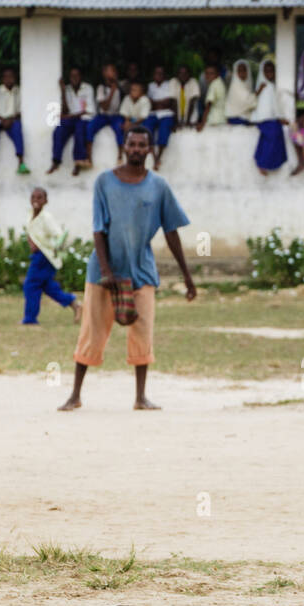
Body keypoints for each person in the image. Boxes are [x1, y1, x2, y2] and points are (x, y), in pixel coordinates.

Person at [58, 126, 196, 412]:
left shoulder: (158, 187)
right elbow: (98, 230)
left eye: (141, 145)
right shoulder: (104, 182)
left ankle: (140, 397)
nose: (136, 149)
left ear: (149, 149)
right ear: (124, 147)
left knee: (143, 331)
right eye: (131, 144)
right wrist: (106, 272)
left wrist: (187, 276)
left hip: (141, 272)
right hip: (102, 271)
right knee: (91, 331)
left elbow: (171, 231)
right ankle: (75, 395)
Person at [23, 187, 81, 326]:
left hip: (45, 257)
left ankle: (30, 318)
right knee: (47, 287)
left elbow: (59, 235)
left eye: (39, 198)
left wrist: (52, 247)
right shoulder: (30, 214)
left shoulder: (46, 218)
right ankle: (74, 303)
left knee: (31, 285)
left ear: (46, 201)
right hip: (37, 256)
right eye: (33, 197)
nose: (36, 201)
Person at [49, 66, 95, 175]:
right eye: (72, 76)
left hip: (84, 118)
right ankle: (56, 161)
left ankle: (78, 162)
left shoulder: (88, 88)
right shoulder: (68, 89)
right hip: (72, 118)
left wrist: (68, 116)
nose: (74, 78)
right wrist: (63, 91)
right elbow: (66, 110)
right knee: (58, 130)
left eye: (76, 75)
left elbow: (88, 110)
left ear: (81, 77)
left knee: (79, 131)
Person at [0, 66, 28, 174]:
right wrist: (2, 120)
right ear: (2, 79)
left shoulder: (19, 91)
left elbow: (22, 110)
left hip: (13, 120)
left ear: (15, 78)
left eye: (11, 76)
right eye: (6, 77)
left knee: (18, 130)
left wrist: (11, 119)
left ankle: (21, 162)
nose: (9, 79)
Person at [250, 59, 288, 175]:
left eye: (272, 71)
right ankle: (263, 163)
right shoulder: (265, 86)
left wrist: (279, 117)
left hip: (269, 119)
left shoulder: (271, 86)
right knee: (273, 134)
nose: (269, 74)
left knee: (268, 136)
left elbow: (274, 106)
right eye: (266, 71)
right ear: (262, 72)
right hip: (263, 119)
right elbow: (268, 106)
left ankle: (261, 159)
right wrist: (280, 117)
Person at [141, 65, 179, 170]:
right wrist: (161, 103)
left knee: (164, 131)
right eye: (156, 73)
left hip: (167, 114)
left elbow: (170, 102)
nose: (158, 75)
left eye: (161, 73)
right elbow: (150, 102)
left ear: (164, 75)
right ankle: (155, 158)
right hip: (153, 114)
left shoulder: (169, 85)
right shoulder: (150, 86)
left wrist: (158, 103)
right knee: (147, 130)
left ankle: (159, 157)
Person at [86, 62, 125, 162]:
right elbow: (105, 107)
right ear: (104, 73)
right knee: (90, 127)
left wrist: (116, 86)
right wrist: (112, 92)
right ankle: (89, 157)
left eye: (113, 71)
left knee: (119, 128)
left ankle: (120, 156)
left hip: (116, 116)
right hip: (103, 116)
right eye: (109, 71)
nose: (111, 73)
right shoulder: (101, 88)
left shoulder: (121, 87)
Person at [119, 81, 151, 149]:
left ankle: (146, 148)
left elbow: (143, 117)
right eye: (131, 89)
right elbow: (124, 113)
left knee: (147, 127)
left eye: (135, 90)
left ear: (141, 93)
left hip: (141, 122)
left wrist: (131, 124)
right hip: (130, 120)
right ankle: (122, 150)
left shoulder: (145, 100)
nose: (132, 92)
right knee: (120, 125)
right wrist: (127, 121)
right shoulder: (127, 98)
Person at [224, 59, 256, 124]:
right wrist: (259, 91)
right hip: (235, 117)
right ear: (236, 72)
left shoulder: (247, 83)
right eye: (239, 71)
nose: (242, 73)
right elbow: (248, 102)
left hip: (244, 117)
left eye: (244, 70)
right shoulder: (235, 86)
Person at [195, 63, 226, 131]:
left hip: (215, 121)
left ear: (217, 74)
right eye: (207, 73)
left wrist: (202, 124)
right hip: (222, 119)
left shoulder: (214, 85)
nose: (208, 76)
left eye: (212, 73)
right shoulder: (220, 83)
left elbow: (208, 105)